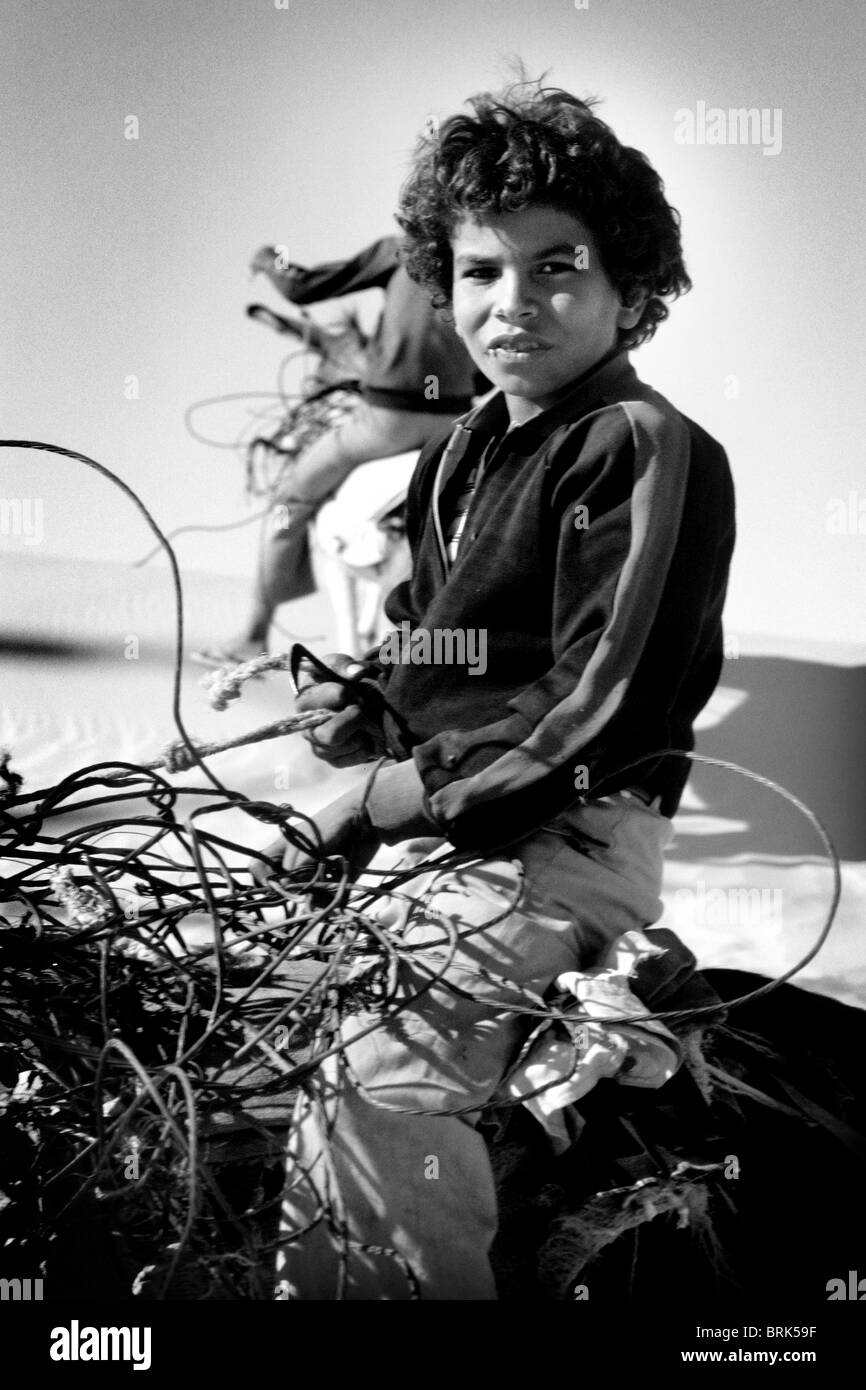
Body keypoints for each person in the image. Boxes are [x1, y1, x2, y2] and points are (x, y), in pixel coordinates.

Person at [257, 81, 736, 1299]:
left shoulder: (637, 442)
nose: (509, 303)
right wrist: (363, 707)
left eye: (554, 268)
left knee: (377, 1075)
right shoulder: (463, 448)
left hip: (563, 836)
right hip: (439, 828)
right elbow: (431, 643)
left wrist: (380, 796)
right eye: (477, 272)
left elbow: (596, 707)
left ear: (630, 286)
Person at [219, 236, 485, 661]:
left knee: (289, 501)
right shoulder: (483, 255)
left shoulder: (403, 248)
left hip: (386, 420)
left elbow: (301, 287)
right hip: (453, 423)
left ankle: (252, 634)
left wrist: (269, 258)